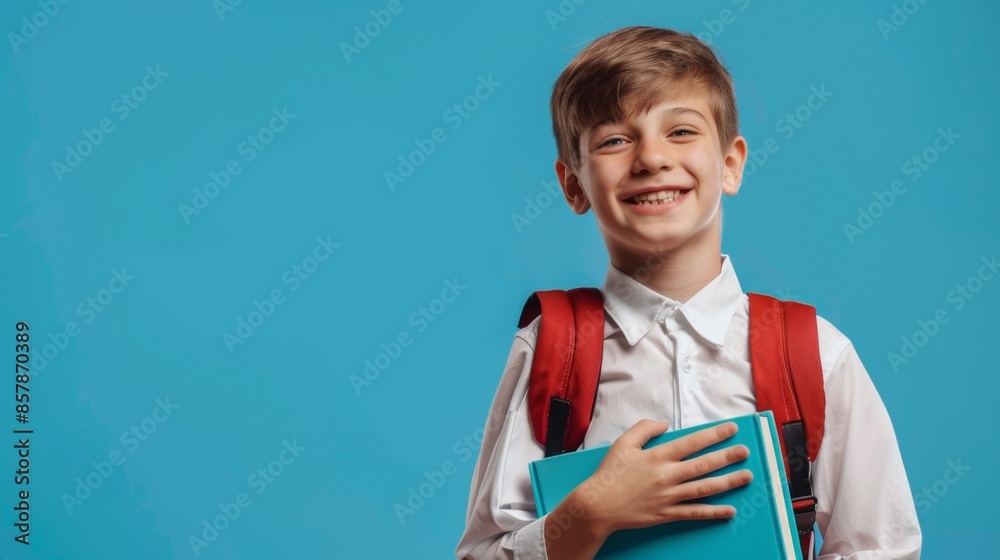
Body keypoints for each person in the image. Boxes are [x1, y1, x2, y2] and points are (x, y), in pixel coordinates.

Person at [456, 26, 921, 560]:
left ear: (730, 164)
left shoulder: (815, 352)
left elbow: (882, 549)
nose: (651, 158)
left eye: (680, 132)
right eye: (614, 139)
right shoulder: (552, 348)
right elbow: (480, 554)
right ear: (574, 186)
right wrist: (589, 515)